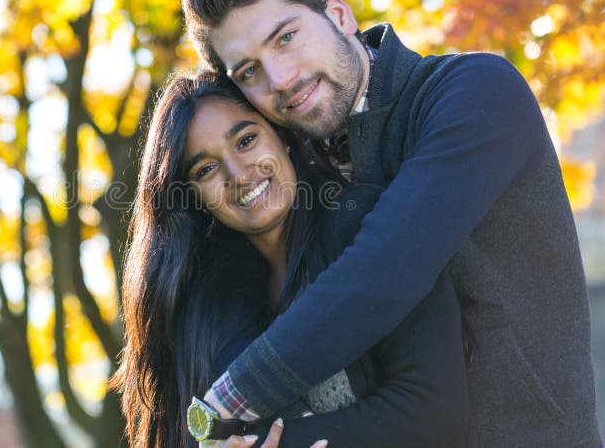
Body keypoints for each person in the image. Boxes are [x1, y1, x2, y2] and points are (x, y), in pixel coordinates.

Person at [180, 0, 600, 447]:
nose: (280, 79)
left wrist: (225, 405)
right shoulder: (301, 169)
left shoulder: (475, 93)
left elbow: (384, 271)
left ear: (338, 14)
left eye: (286, 37)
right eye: (248, 71)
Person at [113, 72, 468, 448]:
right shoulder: (208, 312)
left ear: (282, 136)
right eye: (207, 169)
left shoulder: (364, 225)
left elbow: (436, 413)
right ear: (194, 199)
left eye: (246, 141)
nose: (238, 174)